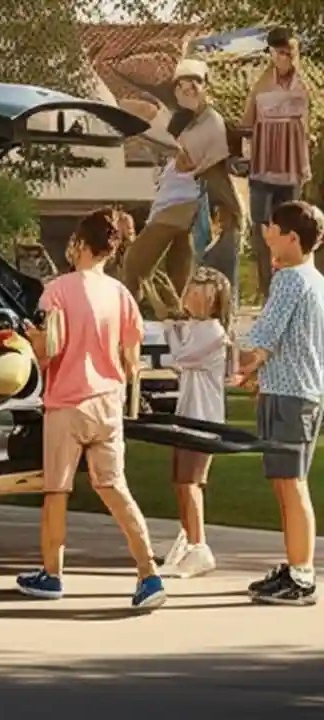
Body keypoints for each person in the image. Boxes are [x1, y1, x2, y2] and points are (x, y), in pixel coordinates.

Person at [18, 207, 166, 609]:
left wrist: (32, 339)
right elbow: (132, 360)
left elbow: (50, 351)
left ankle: (52, 574)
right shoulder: (121, 294)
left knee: (57, 491)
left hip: (66, 403)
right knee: (115, 488)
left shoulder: (58, 290)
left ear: (80, 244)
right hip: (107, 403)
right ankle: (149, 573)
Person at [232, 200, 324, 606]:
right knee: (285, 483)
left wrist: (240, 371)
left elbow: (262, 341)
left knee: (291, 483)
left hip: (291, 395)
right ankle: (294, 565)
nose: (265, 233)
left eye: (271, 227)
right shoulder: (314, 279)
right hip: (295, 391)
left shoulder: (290, 280)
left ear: (291, 237)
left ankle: (302, 577)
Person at [120, 58, 237, 318]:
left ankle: (129, 320)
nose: (190, 88)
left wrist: (168, 141)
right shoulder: (182, 119)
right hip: (173, 199)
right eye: (183, 84)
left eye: (196, 82)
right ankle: (179, 323)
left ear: (206, 86)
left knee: (135, 263)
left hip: (185, 202)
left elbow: (194, 164)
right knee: (178, 271)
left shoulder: (210, 122)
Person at [157, 266, 234, 578]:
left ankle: (199, 546)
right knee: (181, 481)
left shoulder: (212, 332)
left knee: (190, 483)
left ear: (212, 300)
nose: (189, 296)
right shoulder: (197, 328)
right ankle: (187, 540)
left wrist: (168, 326)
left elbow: (180, 358)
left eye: (197, 293)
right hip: (188, 415)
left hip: (202, 419)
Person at [242, 26, 314, 301]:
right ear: (272, 54)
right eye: (282, 52)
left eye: (291, 52)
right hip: (263, 164)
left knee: (293, 228)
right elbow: (247, 123)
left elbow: (306, 126)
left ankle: (290, 289)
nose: (288, 58)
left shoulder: (303, 84)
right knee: (262, 228)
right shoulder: (260, 84)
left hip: (291, 167)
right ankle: (267, 289)